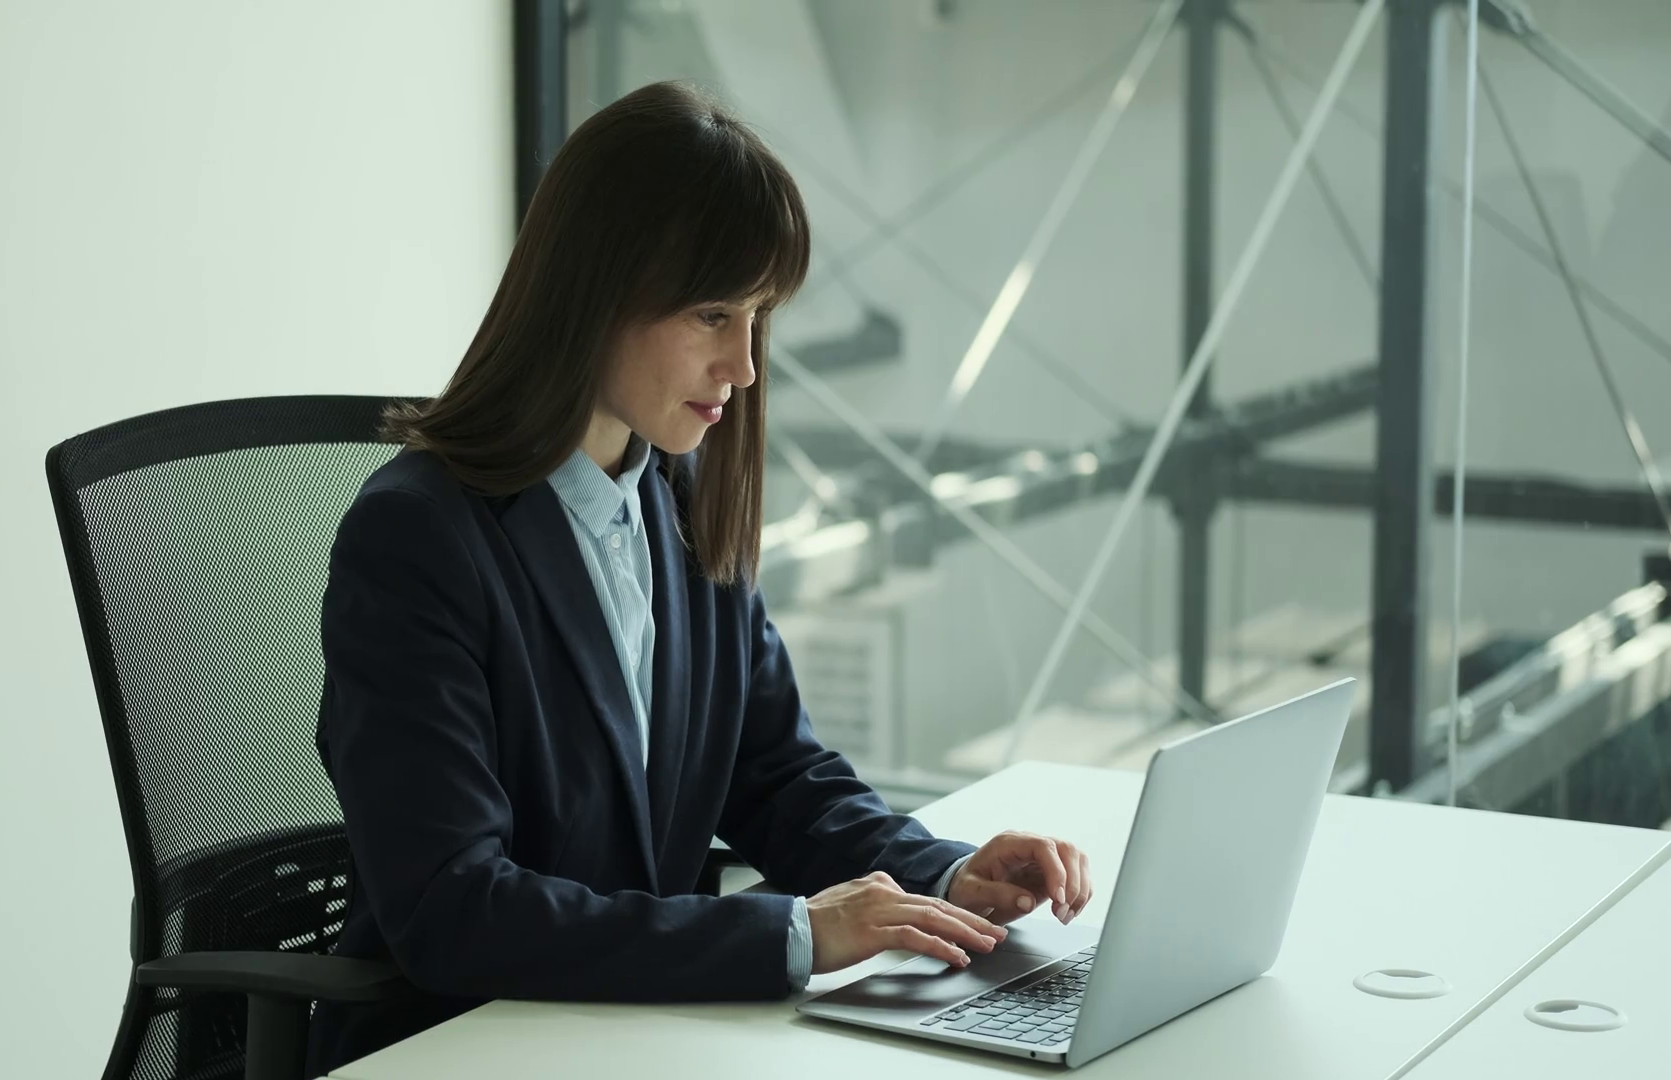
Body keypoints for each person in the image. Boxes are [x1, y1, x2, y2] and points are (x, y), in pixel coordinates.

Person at [305, 80, 1092, 1076]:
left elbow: (777, 778)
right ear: (594, 293)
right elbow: (454, 907)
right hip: (466, 1046)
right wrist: (794, 936)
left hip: (636, 1035)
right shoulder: (418, 539)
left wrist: (947, 873)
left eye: (760, 317)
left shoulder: (677, 499)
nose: (746, 365)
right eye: (714, 314)